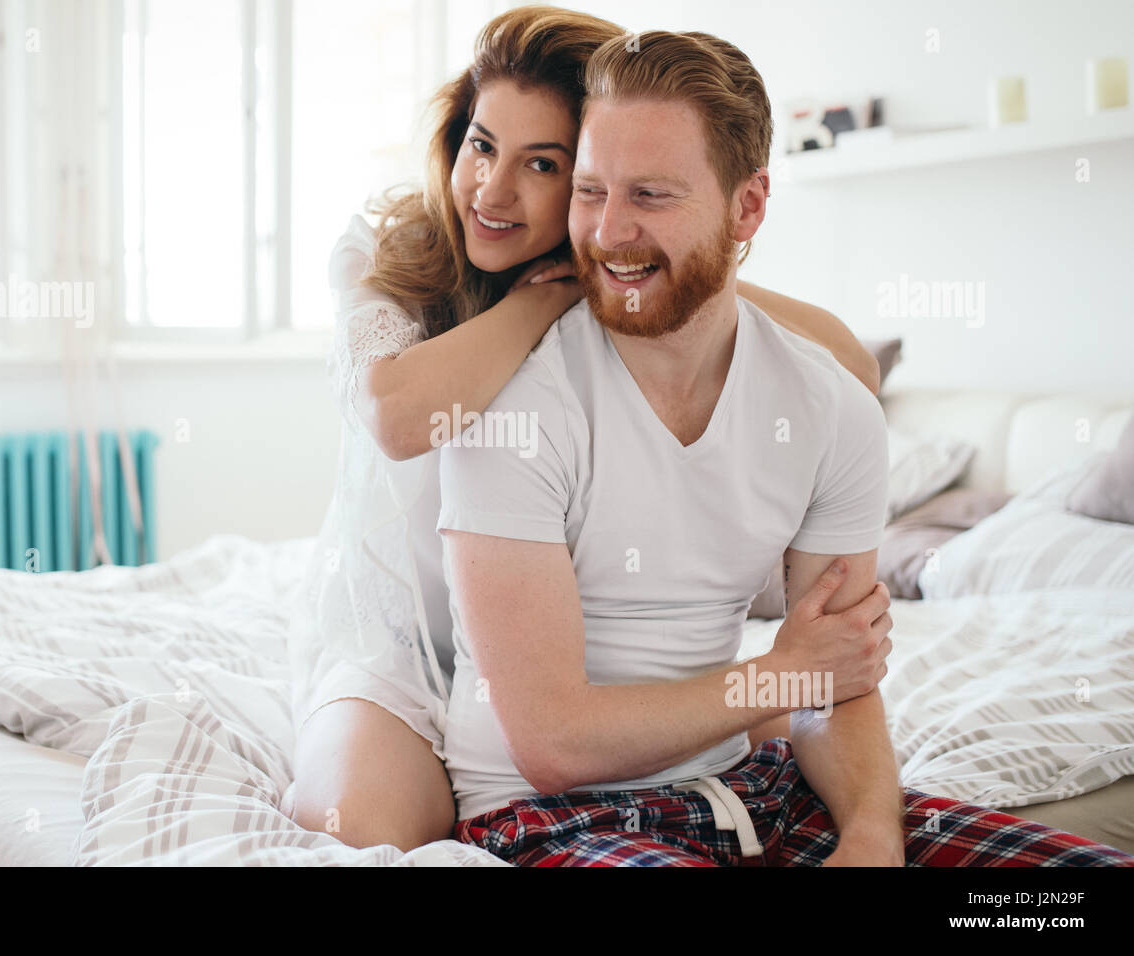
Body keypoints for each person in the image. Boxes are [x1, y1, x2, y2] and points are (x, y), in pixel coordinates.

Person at [437, 29, 1134, 866]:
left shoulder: (830, 408)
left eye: (651, 195)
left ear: (748, 206)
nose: (610, 230)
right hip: (555, 817)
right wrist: (779, 675)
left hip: (753, 791)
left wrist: (871, 834)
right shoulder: (515, 408)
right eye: (591, 191)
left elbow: (838, 679)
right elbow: (553, 743)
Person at [283, 6, 884, 854]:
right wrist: (551, 294)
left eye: (543, 164)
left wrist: (672, 272)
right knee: (372, 833)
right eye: (482, 144)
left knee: (770, 739)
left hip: (558, 651)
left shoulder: (617, 277)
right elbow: (395, 415)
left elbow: (851, 370)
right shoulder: (396, 251)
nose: (493, 190)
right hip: (406, 646)